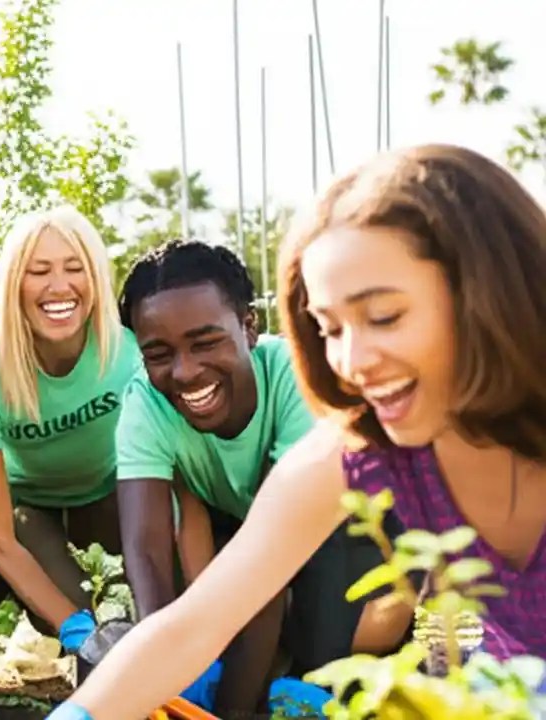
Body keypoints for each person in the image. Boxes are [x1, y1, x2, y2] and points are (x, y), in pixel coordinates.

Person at [49, 143, 546, 719]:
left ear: (485, 292)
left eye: (384, 316)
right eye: (331, 328)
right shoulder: (351, 453)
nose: (353, 360)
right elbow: (195, 624)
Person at [113, 238, 407, 715]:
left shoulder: (298, 377)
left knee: (323, 656)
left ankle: (318, 684)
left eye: (205, 342)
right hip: (252, 531)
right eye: (159, 353)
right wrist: (163, 678)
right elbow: (145, 551)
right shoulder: (144, 404)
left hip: (356, 526)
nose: (185, 371)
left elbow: (274, 551)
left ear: (250, 327)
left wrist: (233, 710)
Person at [0, 206, 142, 673]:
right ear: (15, 284)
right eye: (39, 271)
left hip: (111, 497)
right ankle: (48, 633)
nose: (59, 286)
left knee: (146, 623)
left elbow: (165, 475)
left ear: (95, 278)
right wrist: (76, 626)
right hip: (28, 515)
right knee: (92, 632)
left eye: (75, 269)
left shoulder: (127, 352)